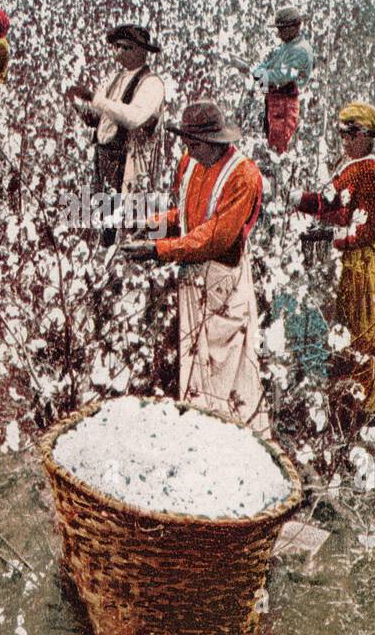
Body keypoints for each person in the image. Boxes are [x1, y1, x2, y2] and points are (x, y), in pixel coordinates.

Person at [122, 101, 270, 436]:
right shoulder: (189, 164)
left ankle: (236, 436)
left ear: (217, 140)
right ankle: (200, 431)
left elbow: (216, 236)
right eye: (187, 143)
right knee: (196, 357)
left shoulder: (244, 176)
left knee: (227, 362)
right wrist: (152, 225)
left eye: (196, 144)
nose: (190, 150)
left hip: (223, 277)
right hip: (191, 274)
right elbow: (187, 218)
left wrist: (159, 249)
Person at [290, 102, 375, 427]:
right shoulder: (352, 168)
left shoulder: (372, 172)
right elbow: (328, 202)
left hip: (367, 262)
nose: (345, 140)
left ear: (368, 137)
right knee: (354, 326)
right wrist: (299, 198)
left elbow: (367, 227)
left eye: (352, 134)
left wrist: (332, 231)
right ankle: (359, 395)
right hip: (354, 262)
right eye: (343, 133)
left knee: (369, 326)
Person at [67, 23, 165, 242]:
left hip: (131, 164)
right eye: (116, 47)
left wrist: (94, 99)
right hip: (105, 160)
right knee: (105, 225)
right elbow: (99, 119)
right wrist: (77, 102)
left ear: (142, 51)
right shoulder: (113, 80)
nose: (119, 52)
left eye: (125, 47)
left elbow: (132, 118)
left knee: (133, 226)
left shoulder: (152, 83)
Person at [229, 5, 313, 154]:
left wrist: (253, 72)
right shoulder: (287, 46)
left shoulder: (299, 50)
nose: (278, 34)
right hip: (275, 101)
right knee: (270, 140)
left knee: (277, 147)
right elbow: (267, 64)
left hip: (285, 103)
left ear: (293, 28)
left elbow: (280, 77)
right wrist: (255, 71)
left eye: (281, 29)